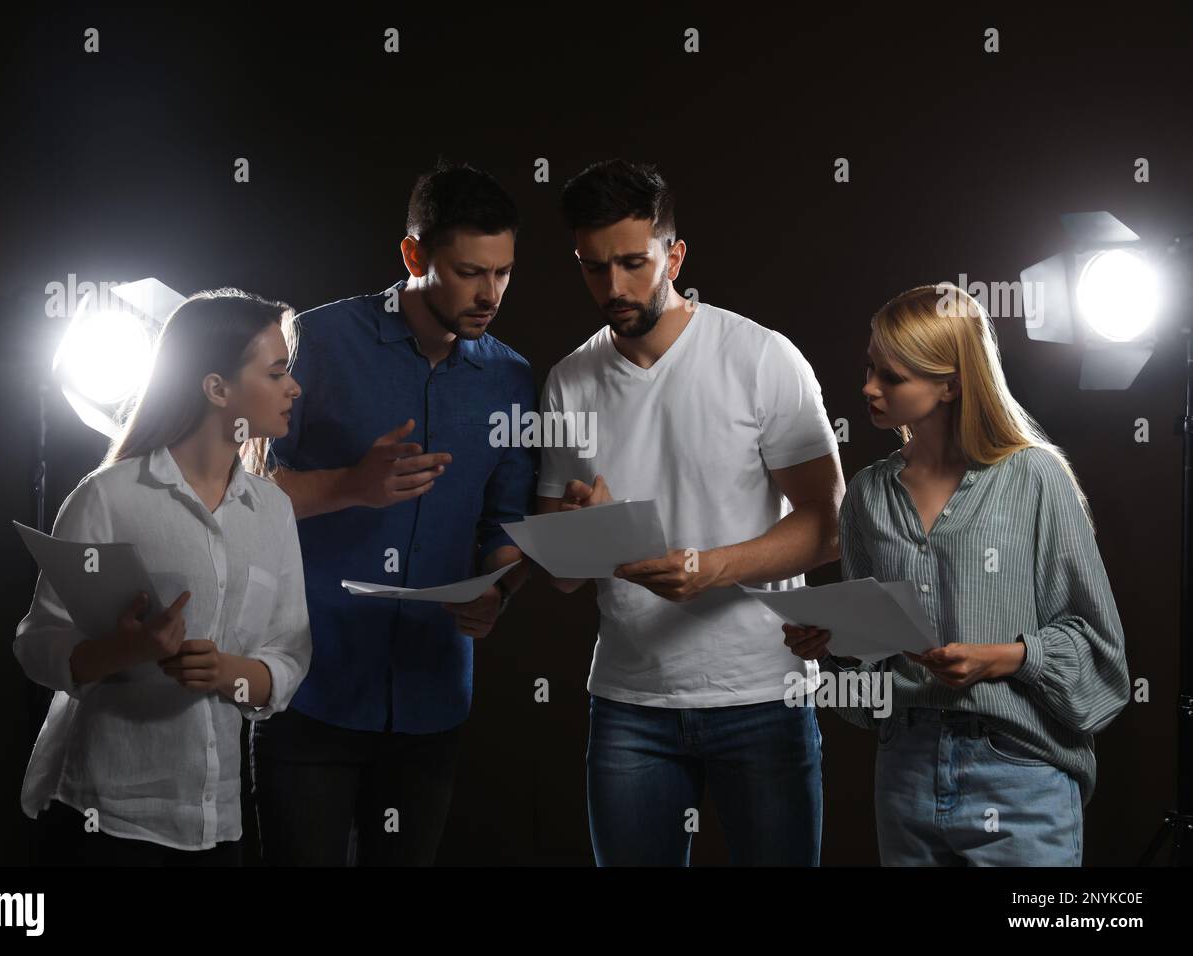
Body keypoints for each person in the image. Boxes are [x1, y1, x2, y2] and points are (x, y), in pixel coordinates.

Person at [537, 159, 844, 866]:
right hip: (628, 703)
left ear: (674, 255)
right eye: (592, 268)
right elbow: (559, 575)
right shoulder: (567, 383)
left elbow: (828, 524)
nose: (613, 287)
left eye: (633, 263)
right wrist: (588, 532)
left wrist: (711, 569)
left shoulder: (761, 357)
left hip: (762, 693)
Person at [784, 283, 1130, 866]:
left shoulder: (1034, 479)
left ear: (951, 383)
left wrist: (1003, 658)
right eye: (870, 368)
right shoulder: (868, 496)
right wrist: (832, 648)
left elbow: (1101, 655)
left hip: (1019, 772)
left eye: (891, 377)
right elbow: (867, 679)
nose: (868, 387)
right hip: (904, 772)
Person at [252, 162, 537, 866]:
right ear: (413, 256)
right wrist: (352, 483)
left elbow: (506, 525)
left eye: (503, 273)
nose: (490, 294)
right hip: (305, 687)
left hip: (431, 699)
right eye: (470, 272)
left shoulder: (512, 378)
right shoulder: (311, 343)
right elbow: (234, 495)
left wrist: (498, 592)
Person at [14, 289, 313, 866]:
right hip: (104, 821)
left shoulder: (272, 512)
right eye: (277, 373)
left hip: (216, 825)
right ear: (217, 387)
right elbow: (36, 645)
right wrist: (120, 650)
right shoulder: (108, 497)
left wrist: (230, 672)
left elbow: (290, 655)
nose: (293, 387)